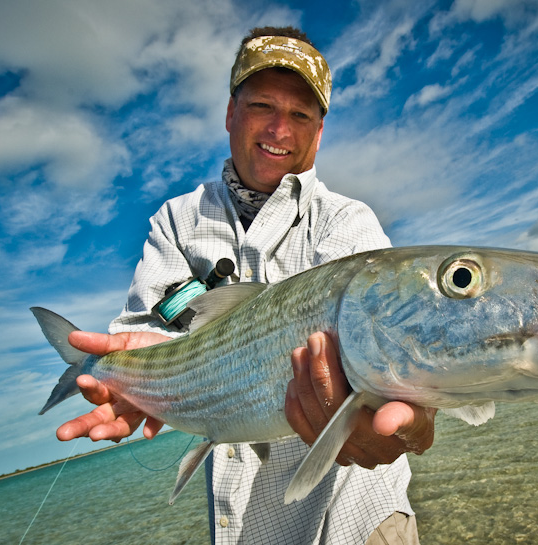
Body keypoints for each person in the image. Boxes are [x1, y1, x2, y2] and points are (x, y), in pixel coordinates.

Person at [58, 26, 435, 544]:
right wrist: (138, 378)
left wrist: (416, 412)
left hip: (355, 514)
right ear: (230, 112)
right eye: (262, 106)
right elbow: (150, 327)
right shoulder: (177, 220)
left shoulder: (347, 222)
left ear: (319, 131)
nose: (280, 129)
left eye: (300, 114)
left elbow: (386, 337)